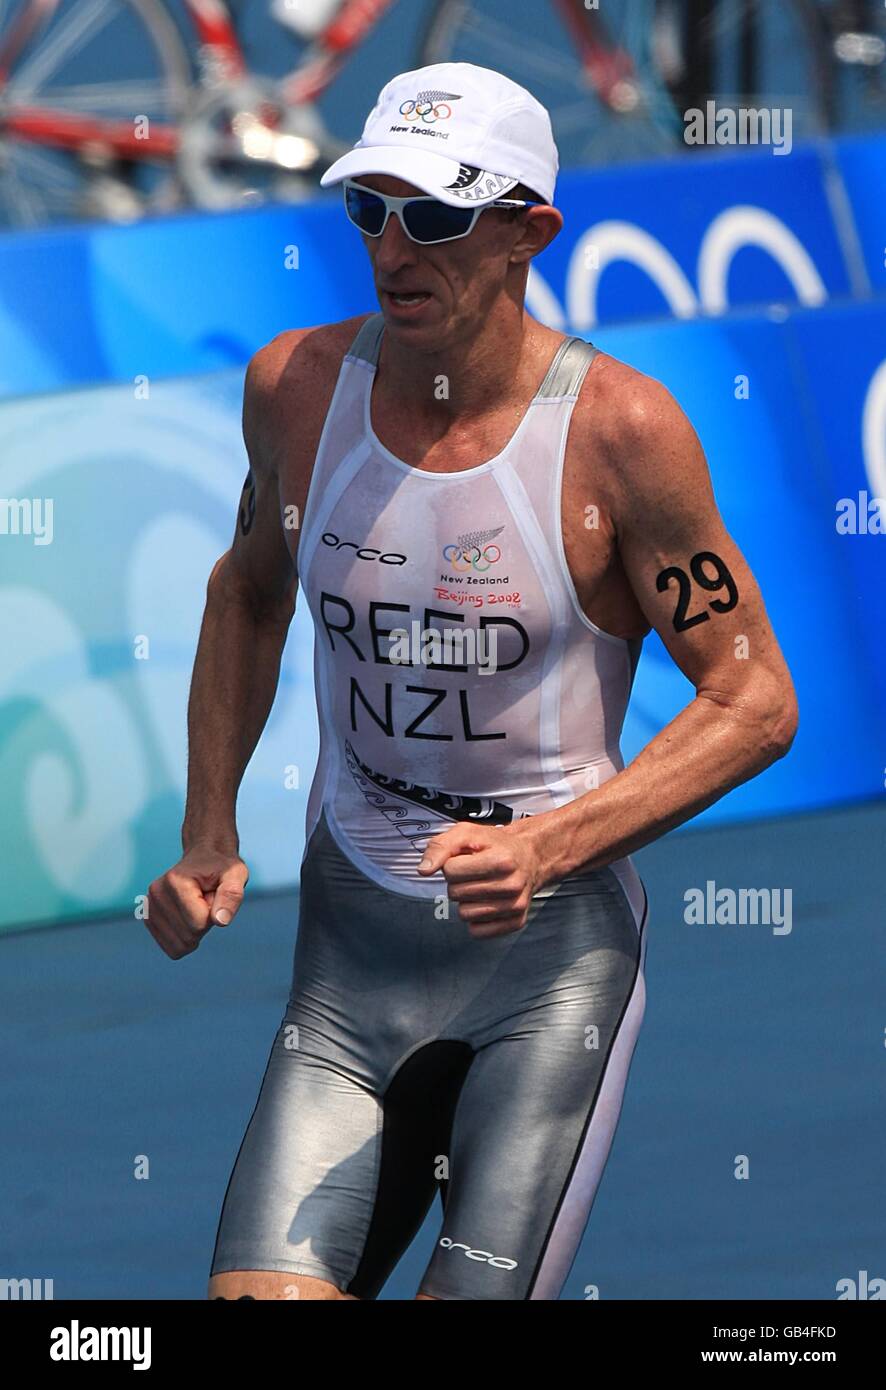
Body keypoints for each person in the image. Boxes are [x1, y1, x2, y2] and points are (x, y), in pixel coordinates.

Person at [145, 61, 798, 1301]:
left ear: (527, 232)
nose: (395, 247)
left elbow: (753, 699)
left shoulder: (621, 432)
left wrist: (548, 848)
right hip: (348, 967)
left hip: (545, 972)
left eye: (436, 216)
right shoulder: (292, 389)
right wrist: (207, 828)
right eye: (370, 209)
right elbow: (245, 592)